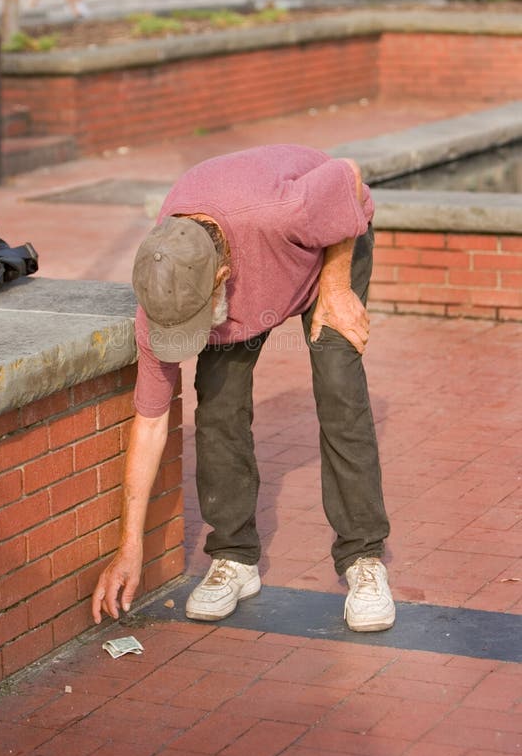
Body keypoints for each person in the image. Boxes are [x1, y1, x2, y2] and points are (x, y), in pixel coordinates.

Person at [92, 145, 395, 633]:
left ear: (222, 278)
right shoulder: (166, 281)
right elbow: (149, 424)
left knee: (339, 389)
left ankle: (363, 558)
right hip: (255, 261)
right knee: (218, 401)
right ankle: (234, 555)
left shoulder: (279, 211)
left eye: (194, 320)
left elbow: (349, 177)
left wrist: (336, 287)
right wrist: (130, 545)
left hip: (328, 241)